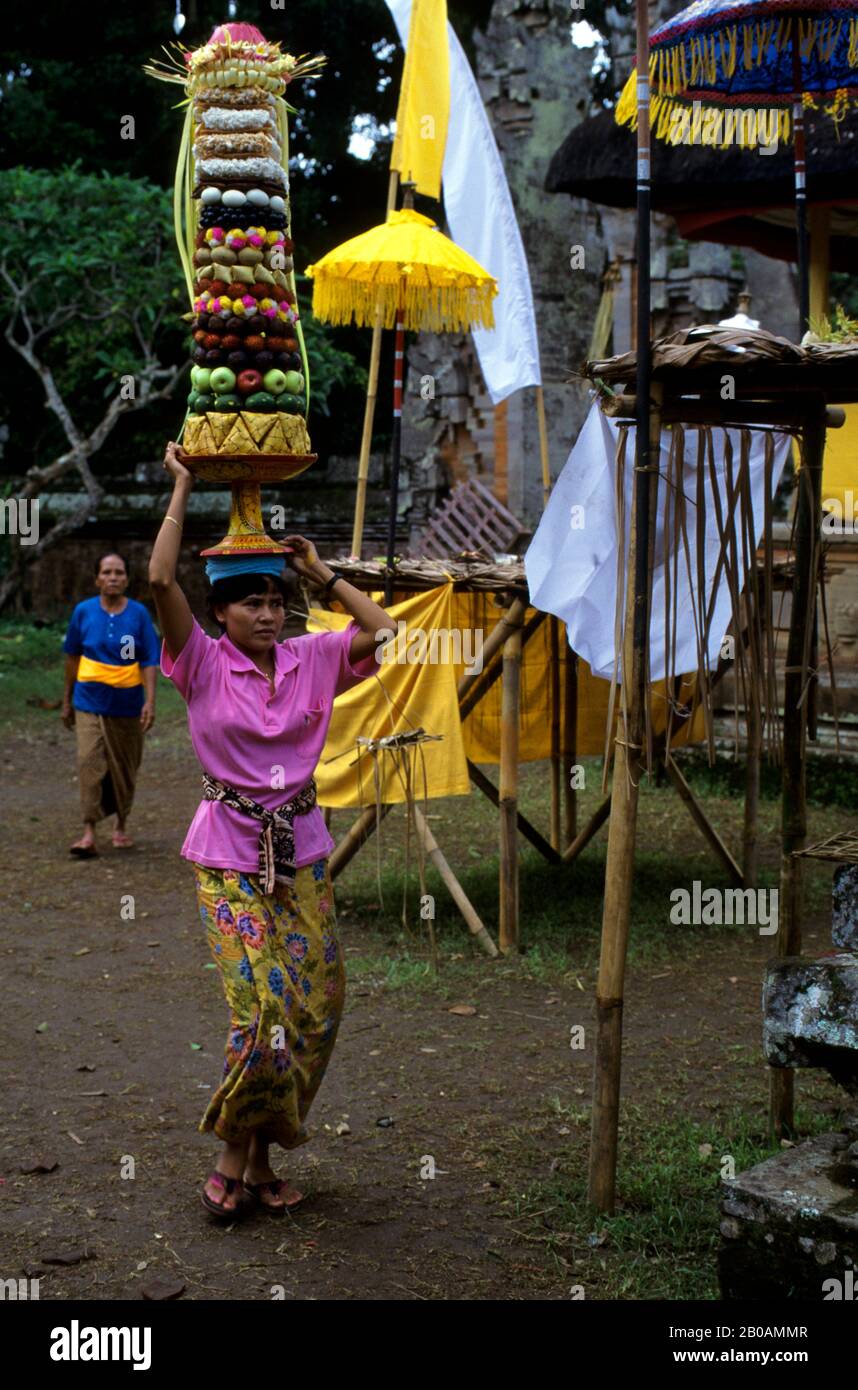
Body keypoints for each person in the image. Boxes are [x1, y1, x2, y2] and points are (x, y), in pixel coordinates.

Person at [149, 441, 391, 1218]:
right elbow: (159, 578)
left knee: (317, 1007)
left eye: (274, 600)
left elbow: (381, 628)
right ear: (218, 610)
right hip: (226, 854)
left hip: (305, 853)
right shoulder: (200, 663)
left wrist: (320, 575)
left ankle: (259, 1151)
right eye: (249, 601)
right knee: (259, 1011)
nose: (267, 612)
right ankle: (233, 1152)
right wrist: (184, 487)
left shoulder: (313, 657)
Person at [63, 552, 160, 857]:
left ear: (127, 579)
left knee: (124, 767)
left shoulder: (139, 614)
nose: (113, 577)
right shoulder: (84, 612)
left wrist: (150, 701)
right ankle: (89, 831)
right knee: (88, 762)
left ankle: (120, 825)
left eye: (119, 572)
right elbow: (72, 657)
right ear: (97, 579)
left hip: (127, 702)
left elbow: (148, 660)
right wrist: (66, 700)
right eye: (107, 572)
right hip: (88, 700)